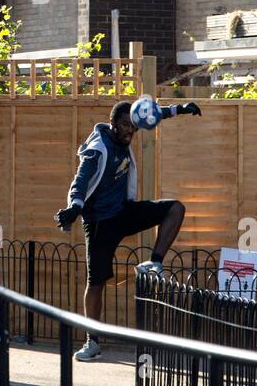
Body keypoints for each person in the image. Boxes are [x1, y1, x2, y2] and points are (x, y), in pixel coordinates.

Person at [54, 98, 202, 361]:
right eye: (124, 126)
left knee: (175, 209)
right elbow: (79, 183)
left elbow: (152, 114)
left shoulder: (128, 129)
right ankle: (92, 341)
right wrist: (74, 207)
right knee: (96, 281)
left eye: (131, 126)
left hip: (123, 211)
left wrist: (180, 110)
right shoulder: (97, 149)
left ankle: (155, 263)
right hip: (100, 222)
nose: (129, 132)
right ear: (112, 124)